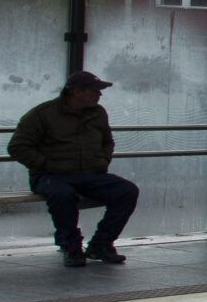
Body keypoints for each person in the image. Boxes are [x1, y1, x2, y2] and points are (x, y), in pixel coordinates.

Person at [8, 70, 140, 267]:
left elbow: (107, 142)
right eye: (95, 90)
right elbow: (17, 147)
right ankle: (71, 246)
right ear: (77, 92)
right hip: (51, 176)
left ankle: (101, 244)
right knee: (62, 195)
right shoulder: (43, 114)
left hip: (91, 174)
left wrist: (102, 161)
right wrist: (47, 165)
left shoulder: (98, 113)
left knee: (127, 191)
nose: (99, 94)